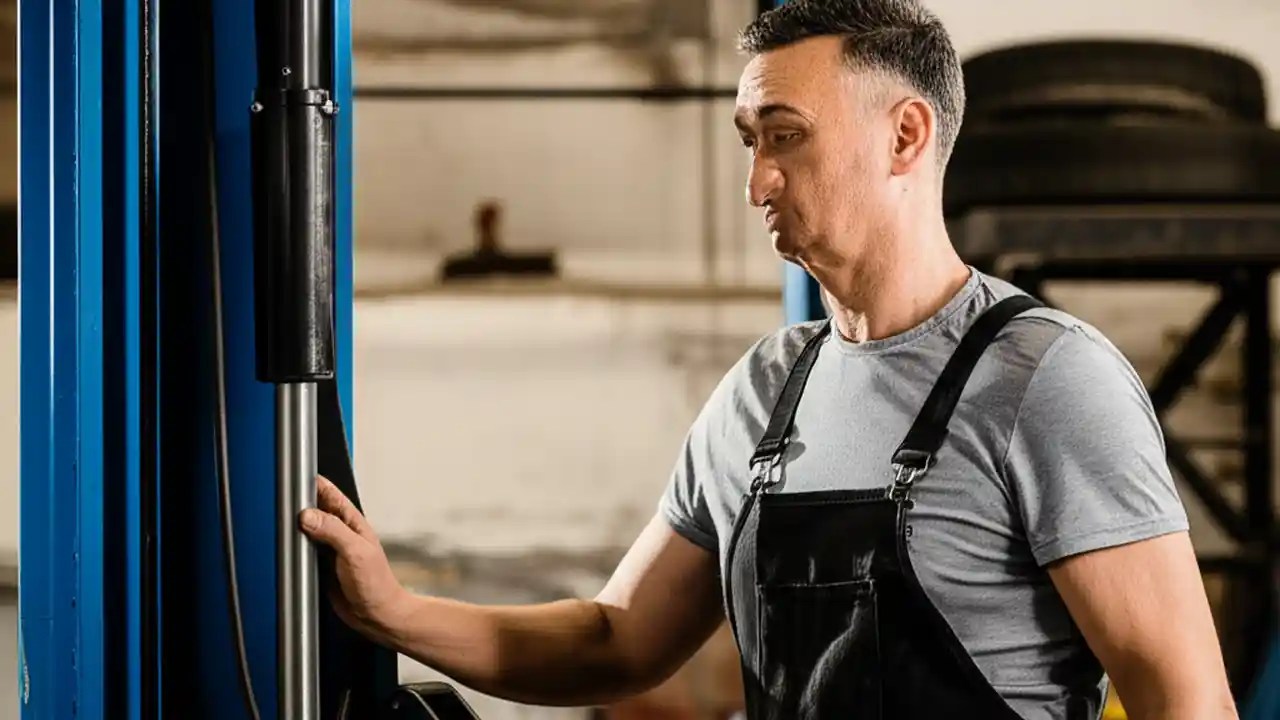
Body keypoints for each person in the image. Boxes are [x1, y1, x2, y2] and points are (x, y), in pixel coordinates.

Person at [299, 1, 1238, 718]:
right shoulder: (766, 389)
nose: (757, 182)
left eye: (786, 137)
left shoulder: (1044, 380)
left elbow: (1185, 702)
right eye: (750, 144)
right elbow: (617, 640)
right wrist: (395, 610)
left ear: (905, 136)